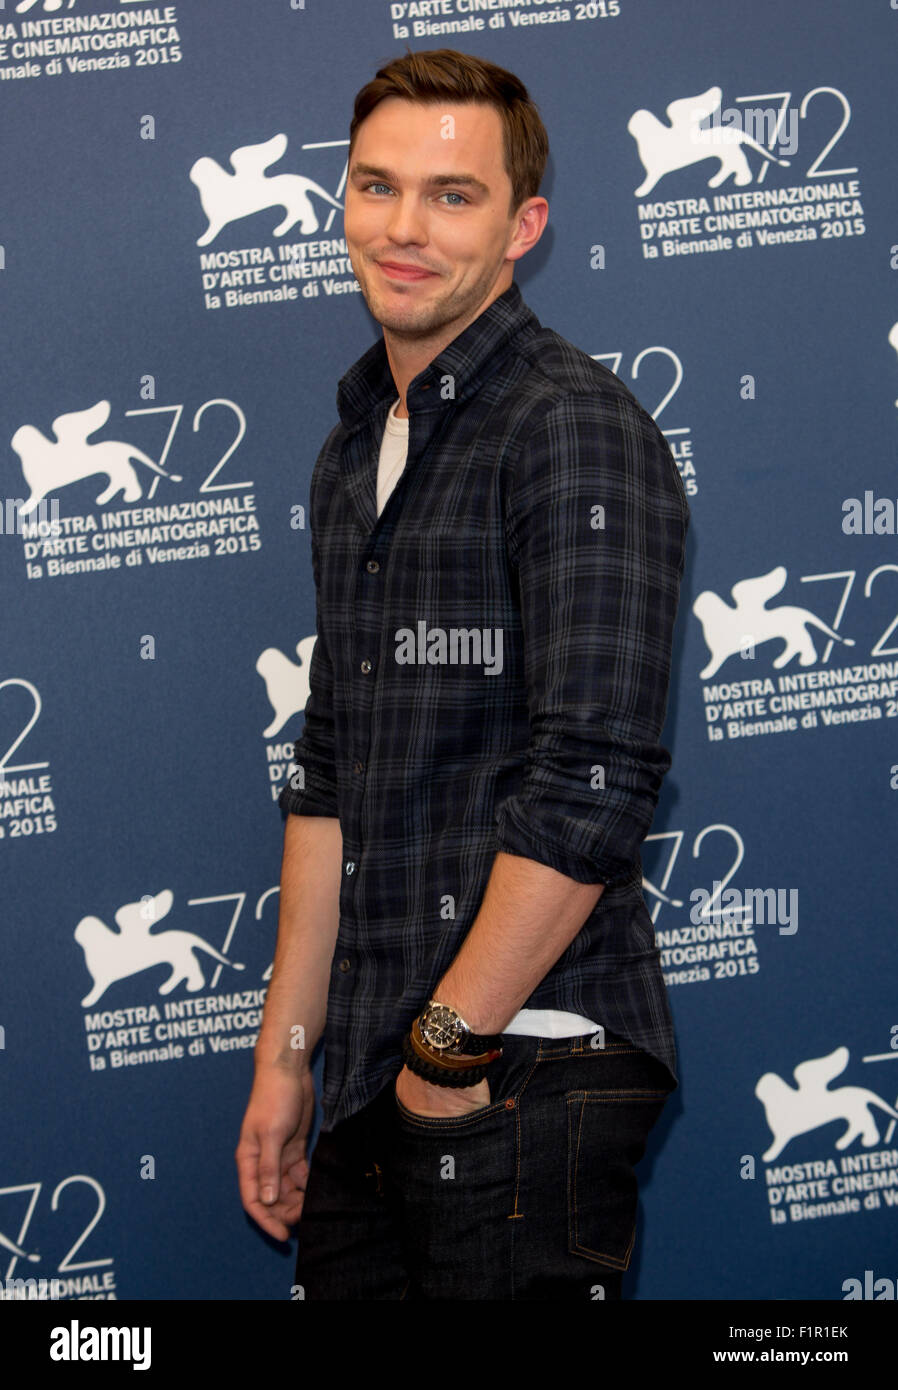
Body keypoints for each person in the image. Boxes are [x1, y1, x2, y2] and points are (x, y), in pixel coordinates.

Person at [236, 47, 690, 1301]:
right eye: (376, 187)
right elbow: (330, 781)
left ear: (521, 226)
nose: (404, 228)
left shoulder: (569, 425)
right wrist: (287, 1059)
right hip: (382, 1085)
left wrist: (449, 1049)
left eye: (452, 195)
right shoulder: (349, 452)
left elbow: (592, 782)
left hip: (518, 1068)